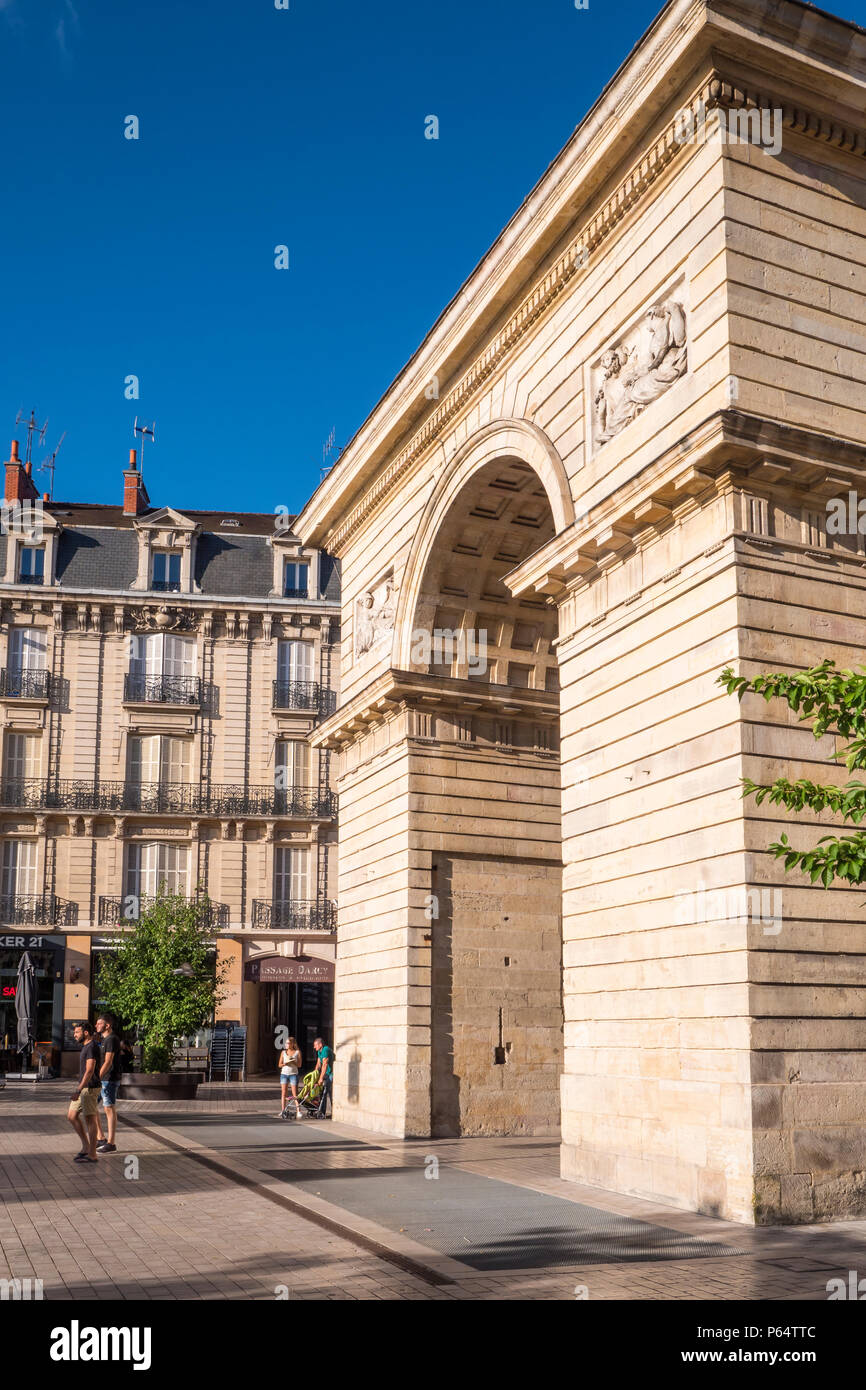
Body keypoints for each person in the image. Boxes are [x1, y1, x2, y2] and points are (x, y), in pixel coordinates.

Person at [67, 1021, 101, 1163]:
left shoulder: (91, 1047)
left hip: (89, 1088)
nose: (74, 1035)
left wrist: (78, 1089)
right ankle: (86, 1146)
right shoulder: (86, 1047)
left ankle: (92, 1154)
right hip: (84, 1088)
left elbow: (90, 1070)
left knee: (90, 1120)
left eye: (77, 1032)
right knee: (71, 1116)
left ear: (85, 1033)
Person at [94, 1013, 122, 1152]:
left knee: (108, 1108)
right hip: (103, 1079)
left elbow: (108, 1061)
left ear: (107, 1025)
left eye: (99, 1023)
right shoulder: (104, 1039)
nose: (96, 1025)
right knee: (91, 1105)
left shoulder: (111, 1039)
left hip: (109, 1079)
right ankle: (101, 1138)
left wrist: (96, 1077)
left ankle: (111, 1143)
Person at [277, 1036, 303, 1118]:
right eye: (286, 1043)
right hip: (284, 1074)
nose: (286, 1045)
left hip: (293, 1074)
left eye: (288, 1043)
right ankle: (283, 1110)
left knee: (295, 1093)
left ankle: (298, 1111)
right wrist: (285, 1063)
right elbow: (279, 1064)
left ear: (292, 1044)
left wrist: (293, 1062)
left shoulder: (297, 1052)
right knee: (283, 1093)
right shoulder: (283, 1052)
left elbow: (299, 1065)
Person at [313, 1036, 334, 1119]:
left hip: (331, 1073)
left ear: (320, 1044)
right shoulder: (320, 1051)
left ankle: (334, 1112)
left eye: (315, 1045)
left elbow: (324, 1065)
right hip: (326, 1073)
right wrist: (314, 1075)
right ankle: (322, 1112)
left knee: (329, 1092)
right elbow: (318, 1064)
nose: (314, 1047)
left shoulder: (325, 1049)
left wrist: (321, 1078)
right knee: (322, 1092)